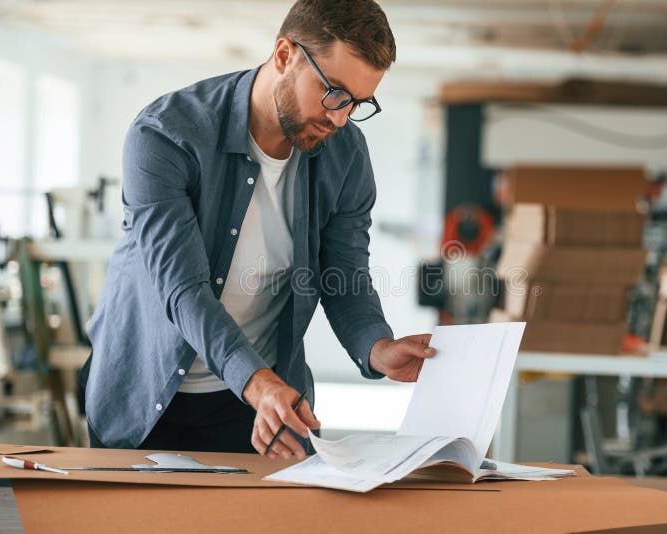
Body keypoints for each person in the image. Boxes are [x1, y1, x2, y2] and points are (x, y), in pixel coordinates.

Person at [82, 0, 435, 460]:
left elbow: (344, 271)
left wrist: (376, 345)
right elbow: (184, 291)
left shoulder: (345, 153)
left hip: (257, 410)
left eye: (358, 104)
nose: (340, 118)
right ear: (285, 55)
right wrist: (259, 383)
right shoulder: (166, 135)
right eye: (333, 92)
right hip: (143, 397)